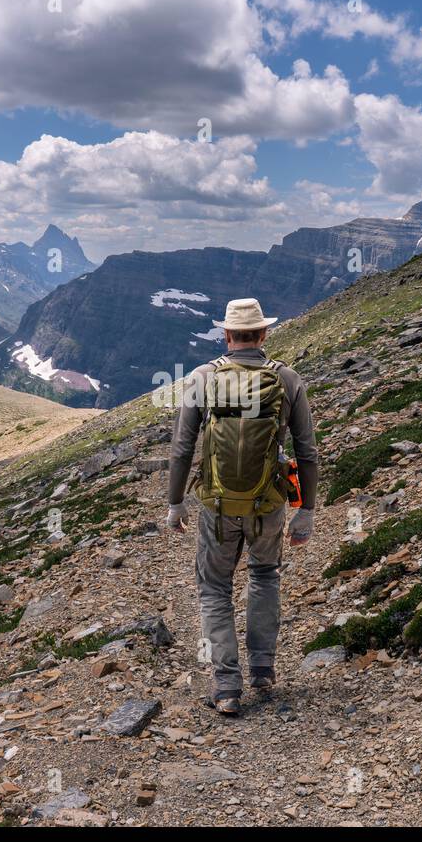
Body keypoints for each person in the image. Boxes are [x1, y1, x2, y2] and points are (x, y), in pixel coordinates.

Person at [166, 297, 318, 716]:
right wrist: (305, 511)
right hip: (268, 503)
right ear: (264, 334)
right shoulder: (287, 379)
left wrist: (175, 504)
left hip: (216, 505)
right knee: (265, 575)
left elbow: (182, 449)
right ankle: (263, 670)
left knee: (214, 587)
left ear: (226, 334)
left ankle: (228, 686)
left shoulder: (202, 377)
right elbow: (307, 452)